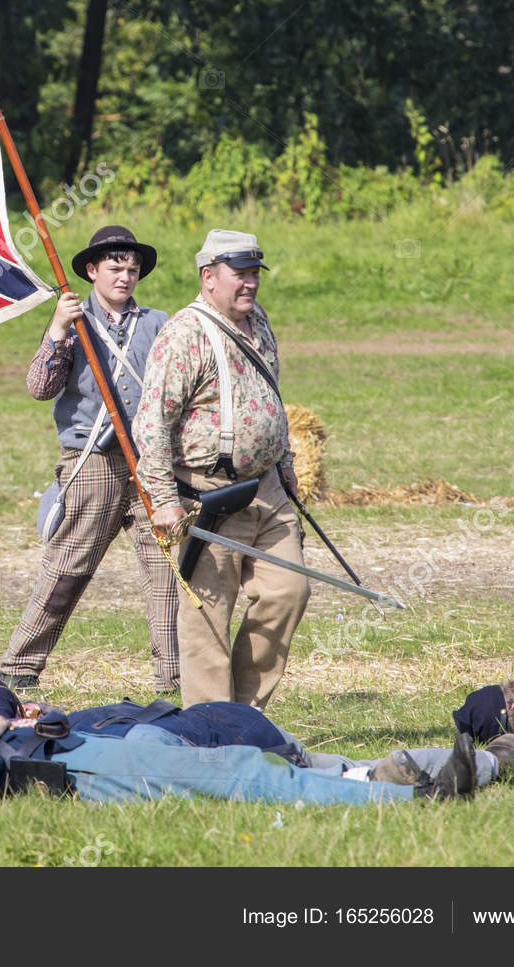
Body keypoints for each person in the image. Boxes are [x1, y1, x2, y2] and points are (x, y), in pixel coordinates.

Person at [0, 225, 179, 693]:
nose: (124, 277)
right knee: (69, 567)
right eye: (115, 268)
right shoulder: (73, 321)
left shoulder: (159, 323)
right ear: (93, 271)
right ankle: (19, 666)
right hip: (91, 461)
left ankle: (174, 677)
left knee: (167, 573)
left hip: (148, 462)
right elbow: (40, 388)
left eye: (132, 270)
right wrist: (58, 328)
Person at [133, 229, 307, 709]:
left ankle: (247, 714)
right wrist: (164, 501)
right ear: (209, 277)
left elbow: (271, 397)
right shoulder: (183, 334)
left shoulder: (260, 321)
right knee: (207, 616)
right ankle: (212, 726)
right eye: (240, 273)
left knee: (289, 591)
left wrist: (287, 461)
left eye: (254, 273)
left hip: (267, 488)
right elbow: (151, 422)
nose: (250, 283)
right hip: (207, 493)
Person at [0, 701, 489, 808]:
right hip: (70, 774)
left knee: (249, 768)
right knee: (241, 773)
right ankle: (412, 798)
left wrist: (20, 719)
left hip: (80, 745)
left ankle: (444, 776)